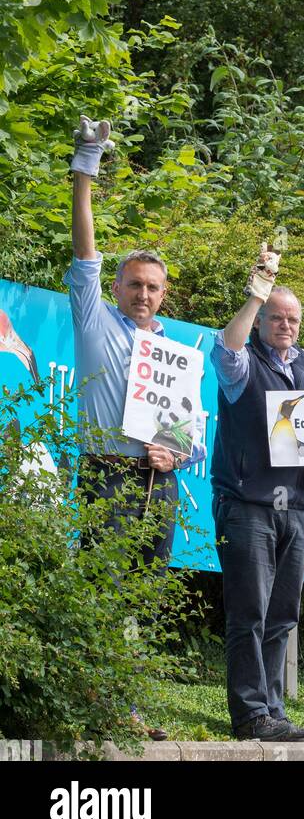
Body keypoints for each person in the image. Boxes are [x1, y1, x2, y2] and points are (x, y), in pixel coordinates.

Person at [66, 115, 204, 739]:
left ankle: (125, 702)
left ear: (164, 294)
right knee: (102, 584)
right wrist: (86, 166)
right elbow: (84, 249)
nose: (143, 294)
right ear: (116, 287)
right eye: (134, 284)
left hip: (159, 483)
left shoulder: (175, 349)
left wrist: (175, 454)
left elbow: (191, 432)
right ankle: (94, 702)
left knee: (144, 592)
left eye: (153, 287)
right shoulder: (94, 319)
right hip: (107, 472)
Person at [210, 243, 304, 743]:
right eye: (276, 316)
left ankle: (273, 710)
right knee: (250, 613)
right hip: (248, 506)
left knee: (283, 614)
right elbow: (225, 349)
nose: (285, 324)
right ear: (261, 321)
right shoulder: (243, 361)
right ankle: (249, 714)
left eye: (293, 318)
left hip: (295, 510)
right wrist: (256, 294)